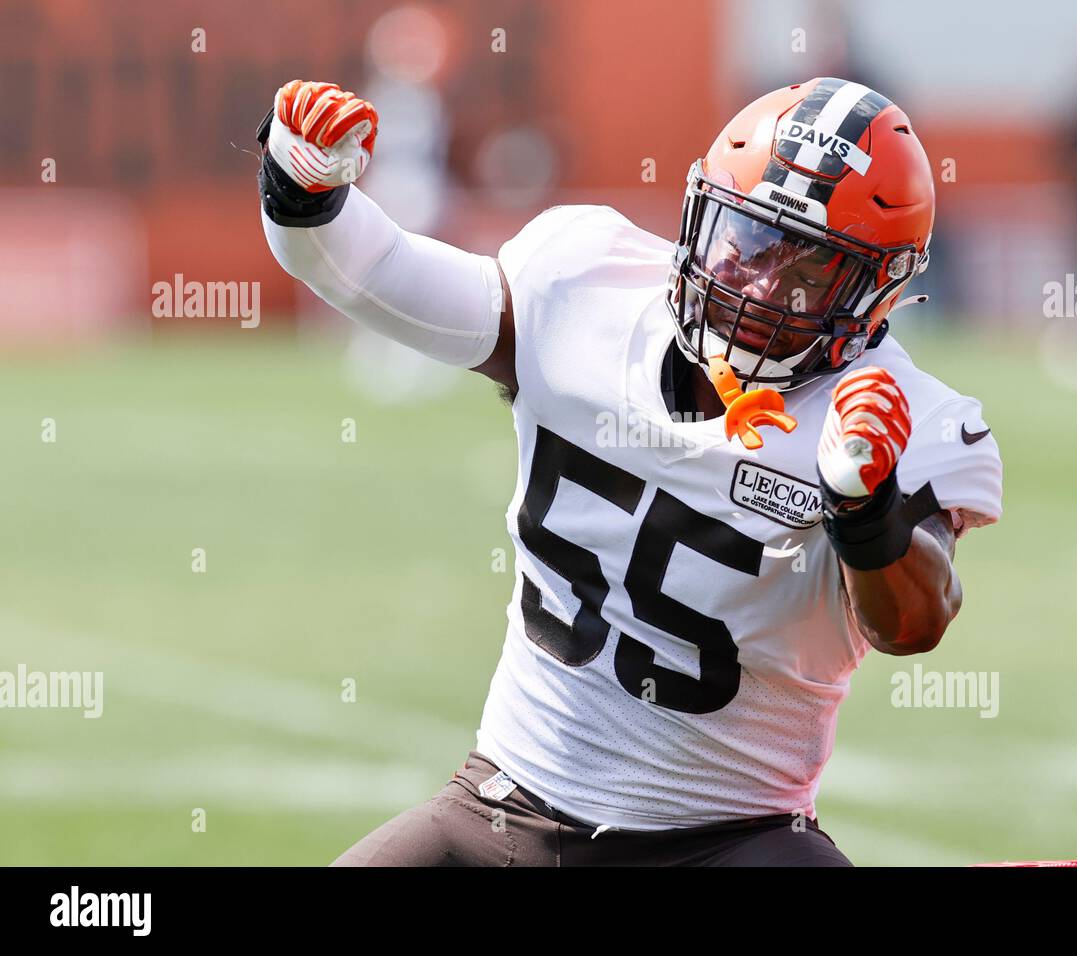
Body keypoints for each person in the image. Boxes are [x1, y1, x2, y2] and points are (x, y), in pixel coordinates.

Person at [258, 77, 1003, 866]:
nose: (757, 283)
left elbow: (913, 624)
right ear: (699, 213)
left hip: (735, 841)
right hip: (504, 808)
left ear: (875, 290)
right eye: (746, 240)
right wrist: (303, 189)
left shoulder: (895, 413)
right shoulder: (584, 287)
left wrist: (868, 509)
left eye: (807, 270)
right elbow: (378, 275)